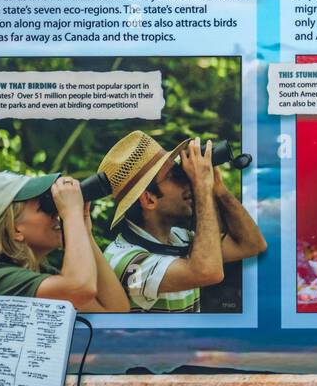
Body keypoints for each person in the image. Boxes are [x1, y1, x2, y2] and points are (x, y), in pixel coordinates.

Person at [99, 131, 267, 313]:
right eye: (175, 175)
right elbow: (208, 272)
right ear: (149, 200)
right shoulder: (124, 260)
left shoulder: (178, 238)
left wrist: (218, 188)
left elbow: (251, 245)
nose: (186, 181)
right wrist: (201, 185)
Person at [0, 171, 130, 312]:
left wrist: (84, 231)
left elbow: (115, 310)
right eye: (45, 206)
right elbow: (80, 288)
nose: (57, 214)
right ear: (15, 229)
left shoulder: (39, 274)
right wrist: (71, 214)